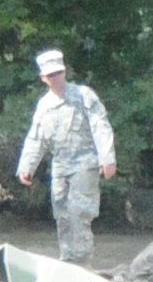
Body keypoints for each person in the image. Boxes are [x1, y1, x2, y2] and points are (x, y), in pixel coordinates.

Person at [16, 48, 118, 265]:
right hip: (60, 165)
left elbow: (101, 126)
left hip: (85, 162)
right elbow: (36, 138)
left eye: (59, 72)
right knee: (61, 213)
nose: (56, 78)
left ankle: (82, 261)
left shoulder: (84, 95)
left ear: (65, 71)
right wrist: (27, 166)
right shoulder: (44, 105)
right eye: (51, 75)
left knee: (80, 212)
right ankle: (67, 259)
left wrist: (107, 158)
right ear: (43, 78)